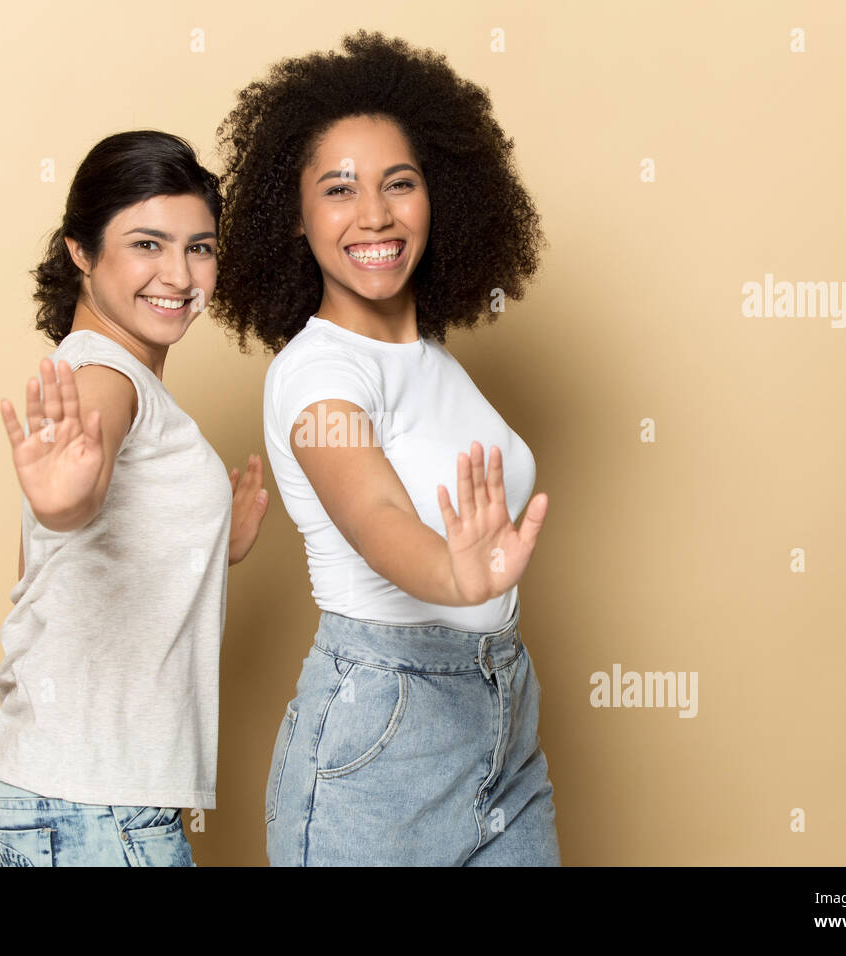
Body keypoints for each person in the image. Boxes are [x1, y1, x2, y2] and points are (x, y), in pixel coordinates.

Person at [211, 31, 561, 865]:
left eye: (398, 184)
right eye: (338, 191)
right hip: (382, 735)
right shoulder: (318, 374)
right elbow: (371, 510)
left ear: (439, 197)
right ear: (293, 218)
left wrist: (479, 602)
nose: (374, 215)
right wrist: (452, 574)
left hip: (501, 712)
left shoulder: (429, 358)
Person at [0, 130, 268, 866]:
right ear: (80, 250)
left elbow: (52, 574)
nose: (179, 274)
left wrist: (211, 543)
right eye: (146, 244)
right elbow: (73, 503)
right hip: (93, 804)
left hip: (62, 791)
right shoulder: (107, 377)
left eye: (199, 247)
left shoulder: (94, 373)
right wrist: (65, 502)